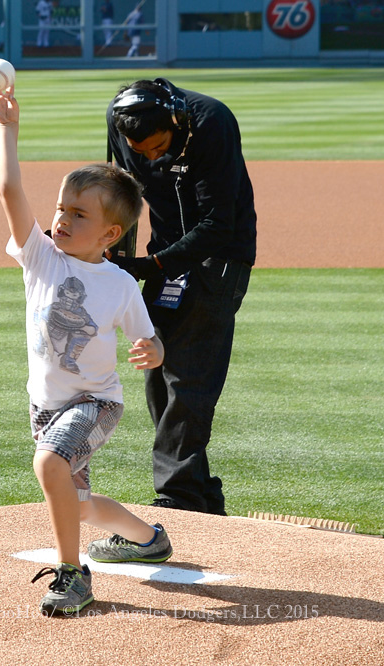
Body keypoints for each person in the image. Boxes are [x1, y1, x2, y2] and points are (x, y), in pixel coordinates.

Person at [0, 83, 173, 617]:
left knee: (49, 464)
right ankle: (147, 538)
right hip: (44, 405)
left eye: (79, 214)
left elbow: (149, 337)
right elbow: (8, 192)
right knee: (79, 504)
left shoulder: (118, 285)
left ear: (111, 233)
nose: (62, 219)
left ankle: (74, 574)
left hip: (95, 403)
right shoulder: (42, 257)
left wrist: (153, 353)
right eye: (60, 208)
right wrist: (8, 128)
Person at [106, 78, 256, 516]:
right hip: (166, 255)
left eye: (158, 146)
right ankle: (201, 493)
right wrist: (118, 261)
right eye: (141, 149)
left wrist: (152, 267)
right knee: (157, 370)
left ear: (176, 120)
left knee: (189, 375)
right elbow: (126, 194)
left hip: (219, 257)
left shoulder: (211, 123)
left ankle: (180, 496)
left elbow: (217, 224)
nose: (150, 157)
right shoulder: (121, 119)